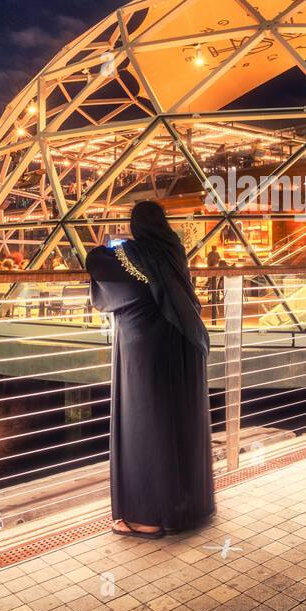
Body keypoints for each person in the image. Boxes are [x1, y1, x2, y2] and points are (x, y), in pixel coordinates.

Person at [85, 201, 215, 538]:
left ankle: (150, 517)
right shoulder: (173, 249)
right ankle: (188, 508)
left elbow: (99, 265)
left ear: (136, 225)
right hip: (183, 346)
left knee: (146, 426)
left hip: (147, 353)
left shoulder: (136, 255)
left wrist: (105, 246)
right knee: (177, 423)